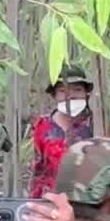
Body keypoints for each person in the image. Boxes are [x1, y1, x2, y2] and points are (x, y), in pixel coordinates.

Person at [29, 65, 96, 198]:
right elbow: (38, 169)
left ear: (86, 94)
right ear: (54, 95)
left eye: (77, 90)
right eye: (63, 91)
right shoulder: (42, 126)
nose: (71, 96)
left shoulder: (95, 124)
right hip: (49, 199)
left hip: (86, 201)